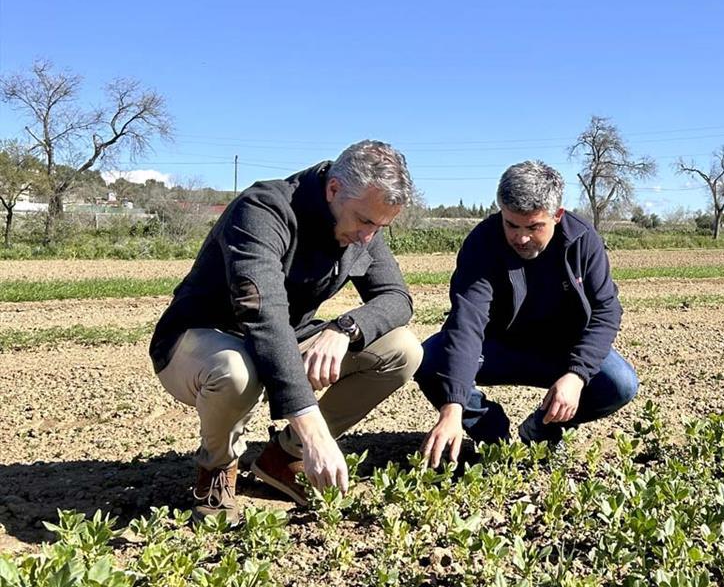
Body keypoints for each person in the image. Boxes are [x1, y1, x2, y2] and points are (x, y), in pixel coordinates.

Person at [150, 140, 423, 523]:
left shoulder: (363, 223)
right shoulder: (264, 209)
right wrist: (313, 429)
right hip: (203, 338)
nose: (368, 237)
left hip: (284, 335)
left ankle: (282, 458)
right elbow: (263, 314)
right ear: (333, 190)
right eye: (364, 221)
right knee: (236, 369)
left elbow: (396, 298)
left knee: (402, 350)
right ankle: (216, 470)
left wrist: (345, 328)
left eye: (380, 227)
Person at [415, 160, 638, 468]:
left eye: (534, 227)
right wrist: (452, 406)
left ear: (557, 216)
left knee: (620, 383)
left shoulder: (582, 240)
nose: (520, 238)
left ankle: (542, 431)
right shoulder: (482, 244)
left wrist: (576, 375)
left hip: (561, 352)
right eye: (511, 225)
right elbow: (466, 323)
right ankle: (491, 434)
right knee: (429, 359)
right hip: (497, 348)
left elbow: (606, 310)